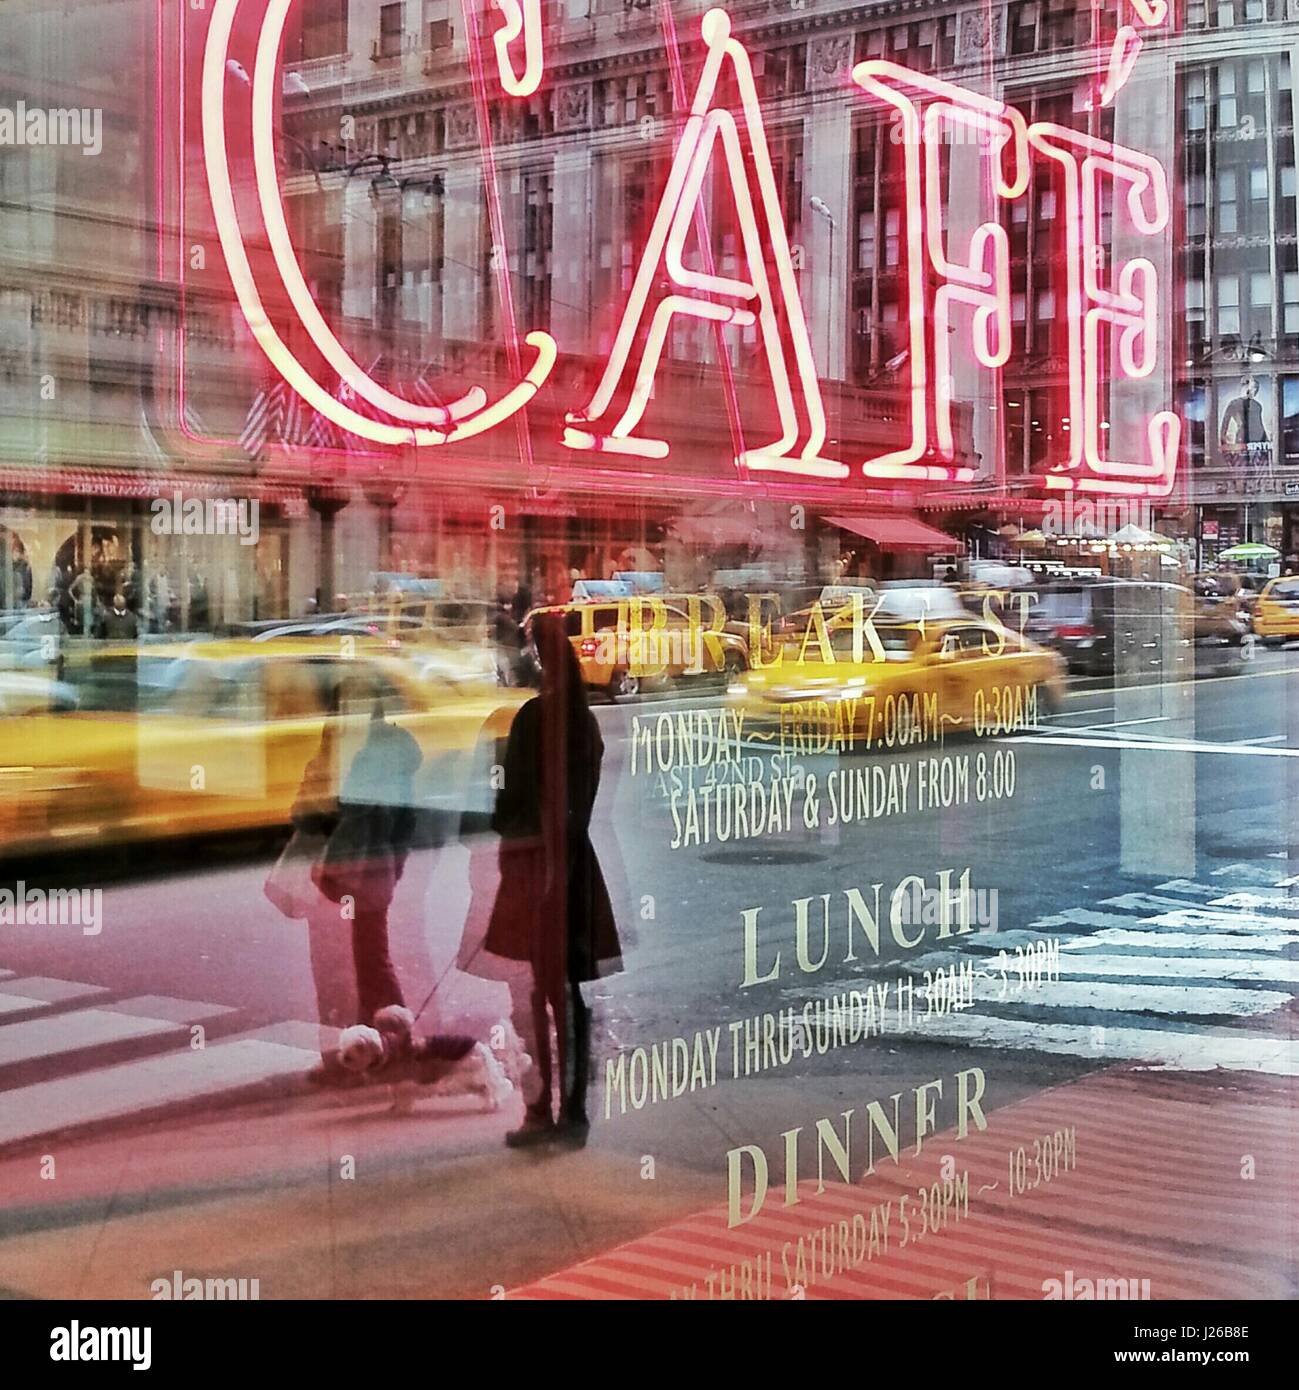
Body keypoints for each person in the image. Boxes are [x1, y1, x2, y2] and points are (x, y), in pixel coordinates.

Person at [475, 611, 622, 1147]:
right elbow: (581, 804)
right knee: (569, 992)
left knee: (536, 992)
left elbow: (512, 801)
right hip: (575, 867)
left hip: (536, 865)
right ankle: (574, 1109)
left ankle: (540, 1107)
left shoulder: (533, 719)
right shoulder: (585, 721)